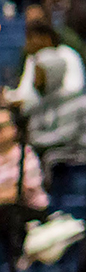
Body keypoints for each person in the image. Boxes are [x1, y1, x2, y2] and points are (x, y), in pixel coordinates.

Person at [13, 22, 86, 173]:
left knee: (47, 160)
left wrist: (32, 142)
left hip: (74, 152)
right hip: (46, 148)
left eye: (41, 73)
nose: (36, 79)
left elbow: (65, 136)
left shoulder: (75, 103)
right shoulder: (41, 106)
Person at [0, 110, 48, 263]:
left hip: (29, 212)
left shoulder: (26, 155)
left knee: (8, 212)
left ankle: (17, 262)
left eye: (2, 127)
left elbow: (16, 193)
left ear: (14, 129)